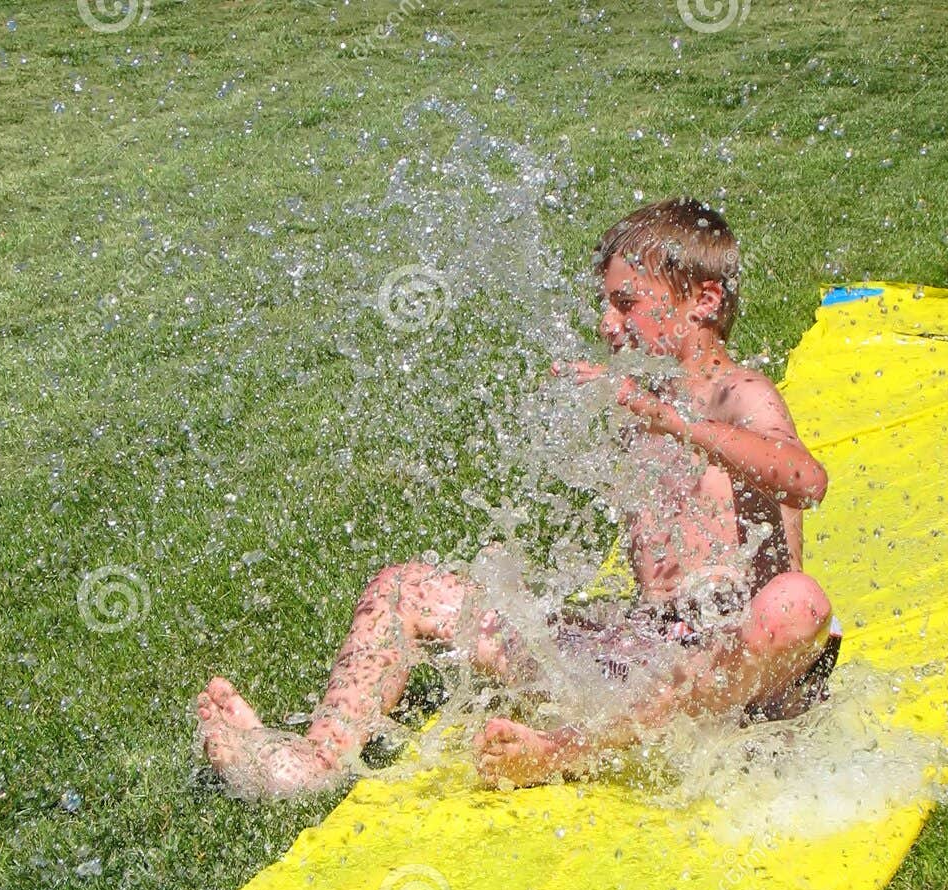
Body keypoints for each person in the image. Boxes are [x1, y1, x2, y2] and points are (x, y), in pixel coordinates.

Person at [196, 196, 839, 796]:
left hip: (738, 677)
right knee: (406, 587)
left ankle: (568, 749)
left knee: (797, 604)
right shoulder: (643, 403)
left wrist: (672, 423)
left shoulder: (735, 395)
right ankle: (306, 762)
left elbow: (805, 480)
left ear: (701, 301)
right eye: (605, 305)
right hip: (652, 655)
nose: (607, 326)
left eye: (626, 303)